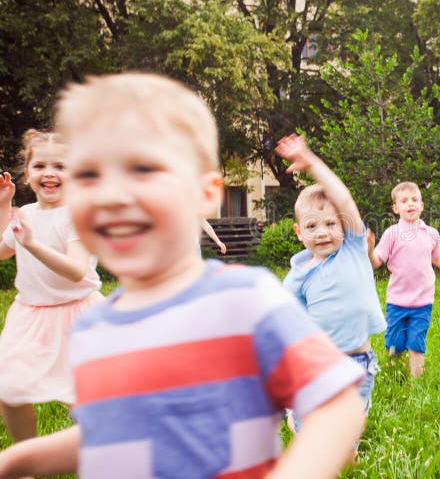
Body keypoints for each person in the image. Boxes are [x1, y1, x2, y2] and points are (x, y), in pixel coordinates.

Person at [0, 73, 365, 479]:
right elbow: (114, 434)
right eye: (90, 175)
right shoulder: (92, 330)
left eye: (144, 171)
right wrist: (19, 460)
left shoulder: (245, 300)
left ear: (206, 194)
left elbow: (337, 404)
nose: (114, 196)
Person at [278, 133, 386, 454]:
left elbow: (343, 198)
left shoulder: (352, 248)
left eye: (330, 223)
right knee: (312, 438)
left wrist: (310, 162)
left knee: (346, 446)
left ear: (344, 224)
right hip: (315, 366)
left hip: (357, 363)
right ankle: (297, 419)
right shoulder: (298, 275)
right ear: (299, 233)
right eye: (311, 227)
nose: (322, 232)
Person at [0, 130, 103, 450]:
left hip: (78, 314)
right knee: (9, 390)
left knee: (84, 399)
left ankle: (101, 457)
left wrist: (31, 244)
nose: (49, 173)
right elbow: (3, 249)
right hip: (30, 317)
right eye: (40, 165)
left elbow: (76, 271)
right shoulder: (26, 214)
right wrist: (5, 206)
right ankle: (26, 460)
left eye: (60, 166)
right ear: (27, 174)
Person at [367, 181, 440, 378]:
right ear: (395, 208)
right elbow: (376, 261)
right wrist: (369, 248)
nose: (411, 204)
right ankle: (395, 371)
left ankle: (417, 382)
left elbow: (438, 258)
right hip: (397, 301)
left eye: (415, 199)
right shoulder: (392, 233)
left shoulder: (431, 234)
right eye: (404, 200)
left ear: (422, 205)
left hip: (423, 301)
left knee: (416, 341)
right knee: (395, 344)